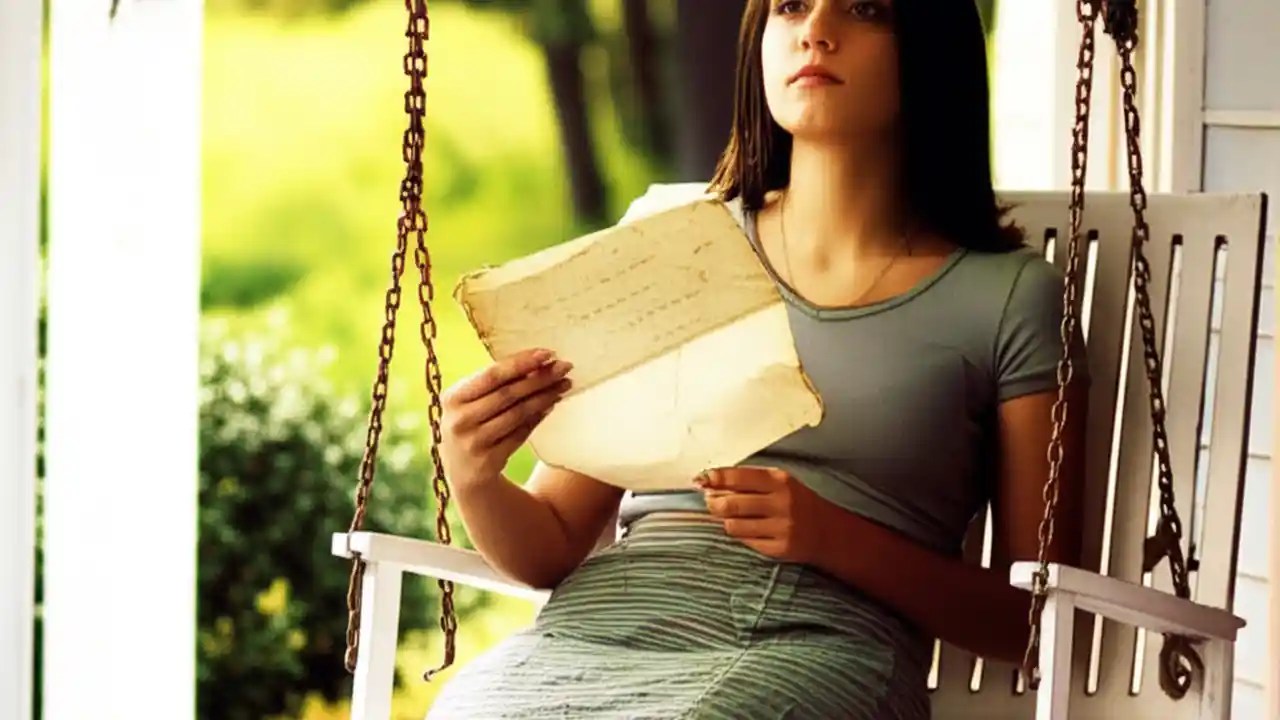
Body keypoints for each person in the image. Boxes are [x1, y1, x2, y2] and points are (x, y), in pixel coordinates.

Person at [428, 0, 1089, 718]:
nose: (815, 30)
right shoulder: (676, 249)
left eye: (865, 10)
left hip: (814, 643)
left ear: (932, 51)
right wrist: (474, 475)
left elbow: (1036, 620)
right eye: (790, 7)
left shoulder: (1008, 299)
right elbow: (550, 543)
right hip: (599, 629)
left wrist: (833, 538)